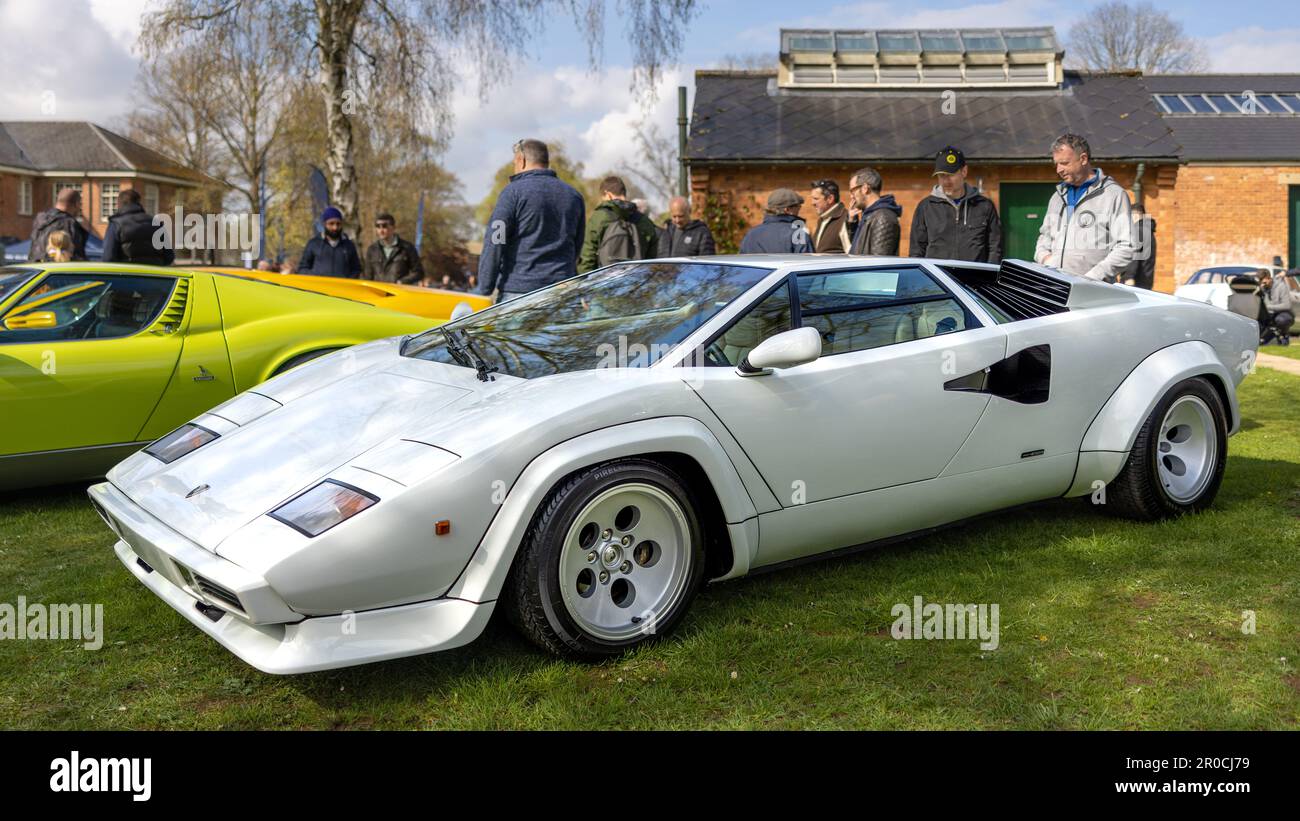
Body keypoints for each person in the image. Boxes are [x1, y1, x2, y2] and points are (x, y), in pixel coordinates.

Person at [477, 139, 586, 301]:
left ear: (521, 161)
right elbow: (577, 244)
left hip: (519, 292)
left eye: (514, 163)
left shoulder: (512, 193)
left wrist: (484, 288)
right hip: (563, 292)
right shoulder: (574, 196)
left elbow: (495, 240)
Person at [1034, 133, 1133, 281]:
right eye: (1056, 164)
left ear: (1083, 159)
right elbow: (1044, 236)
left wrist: (1093, 277)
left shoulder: (1113, 195)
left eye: (1064, 163)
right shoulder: (1057, 197)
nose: (1058, 170)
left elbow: (1127, 246)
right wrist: (1045, 259)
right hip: (1055, 287)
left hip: (1094, 293)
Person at [910, 146, 1002, 263]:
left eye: (951, 174)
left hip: (975, 279)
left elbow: (995, 248)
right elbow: (916, 251)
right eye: (941, 175)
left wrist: (988, 277)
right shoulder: (926, 207)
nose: (946, 180)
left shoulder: (984, 206)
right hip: (938, 279)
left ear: (964, 171)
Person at [578, 176, 659, 273]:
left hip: (607, 282)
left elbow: (587, 256)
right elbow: (652, 258)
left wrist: (587, 283)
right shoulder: (644, 220)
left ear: (607, 194)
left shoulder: (599, 217)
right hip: (636, 282)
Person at [102, 188, 174, 265]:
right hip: (153, 275)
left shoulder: (116, 224)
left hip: (127, 274)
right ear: (139, 203)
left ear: (120, 204)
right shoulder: (157, 224)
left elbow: (108, 257)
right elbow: (169, 256)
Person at [846, 167, 902, 256]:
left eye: (852, 191)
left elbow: (878, 263)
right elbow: (859, 248)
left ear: (865, 188)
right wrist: (852, 223)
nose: (851, 196)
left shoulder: (883, 217)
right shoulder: (869, 215)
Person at [739, 189, 813, 254]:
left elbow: (741, 265)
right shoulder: (798, 235)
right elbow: (808, 266)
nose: (799, 210)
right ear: (787, 210)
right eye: (798, 207)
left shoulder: (751, 234)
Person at [28, 187, 90, 262]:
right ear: (77, 204)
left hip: (38, 268)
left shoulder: (40, 220)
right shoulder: (69, 224)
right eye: (80, 205)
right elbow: (77, 255)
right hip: (59, 269)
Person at [298, 206, 362, 278]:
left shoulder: (348, 246)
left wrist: (348, 281)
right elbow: (302, 269)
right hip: (319, 287)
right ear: (325, 224)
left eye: (338, 224)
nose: (335, 228)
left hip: (341, 288)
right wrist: (316, 277)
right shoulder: (314, 244)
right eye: (331, 224)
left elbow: (356, 269)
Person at [363, 212, 425, 284]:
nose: (381, 230)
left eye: (384, 226)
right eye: (378, 226)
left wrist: (402, 282)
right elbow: (367, 277)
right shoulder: (372, 250)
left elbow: (419, 272)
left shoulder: (407, 248)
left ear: (393, 227)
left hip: (399, 293)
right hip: (377, 294)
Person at [809, 179, 850, 253]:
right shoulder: (822, 220)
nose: (812, 203)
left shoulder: (845, 219)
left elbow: (852, 255)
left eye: (816, 199)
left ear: (830, 199)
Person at [1122, 201, 1156, 289]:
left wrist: (1128, 277)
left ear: (1135, 216)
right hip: (1145, 283)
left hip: (1134, 284)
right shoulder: (1149, 232)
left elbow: (1135, 256)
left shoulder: (1138, 231)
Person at [1259, 268, 1294, 344]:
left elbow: (1287, 305)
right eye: (1261, 283)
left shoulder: (1281, 286)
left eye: (1264, 282)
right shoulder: (1261, 287)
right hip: (1268, 314)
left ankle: (1284, 335)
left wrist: (1268, 307)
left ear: (1269, 278)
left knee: (1282, 320)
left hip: (1282, 313)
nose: (1262, 285)